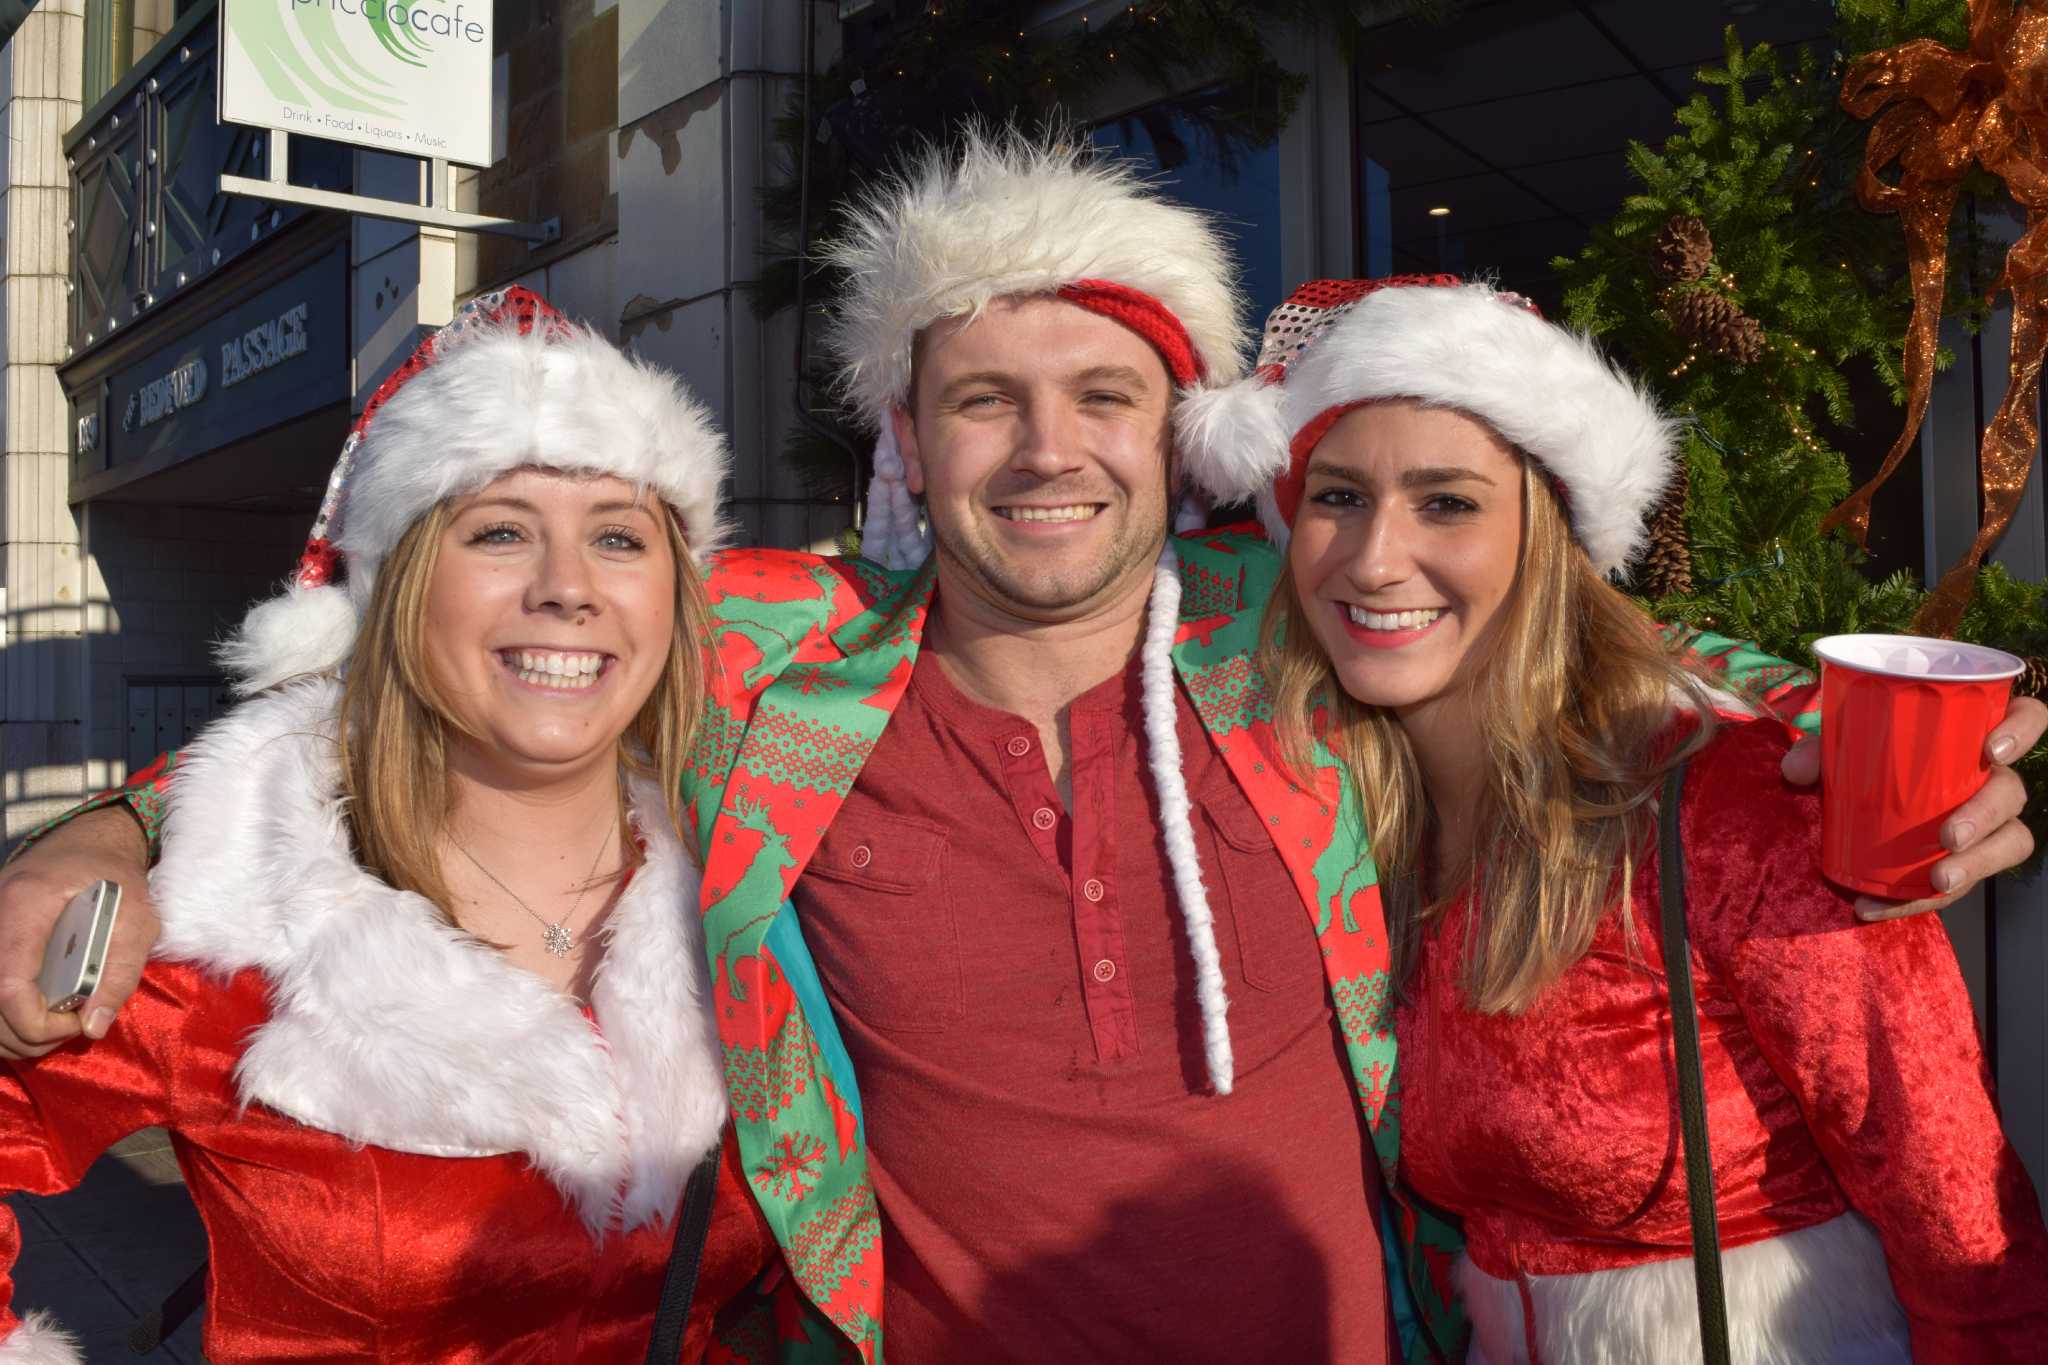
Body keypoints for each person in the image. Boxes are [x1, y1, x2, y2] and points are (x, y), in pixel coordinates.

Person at [2, 136, 2043, 1363]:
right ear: (906, 439)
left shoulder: (1296, 639)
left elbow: (1573, 647)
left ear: (1180, 436)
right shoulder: (783, 668)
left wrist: (1863, 738)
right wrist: (110, 826)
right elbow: (460, 666)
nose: (1046, 449)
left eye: (1101, 394)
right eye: (982, 398)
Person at [1178, 273, 2048, 1362]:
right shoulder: (1341, 801)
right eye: (1337, 497)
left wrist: (1920, 758)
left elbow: (1962, 1219)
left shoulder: (1724, 797)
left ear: (1544, 534)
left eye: (1447, 503)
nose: (1373, 559)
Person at [0, 290, 779, 1361]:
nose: (567, 588)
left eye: (617, 536)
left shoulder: (770, 878)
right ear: (398, 591)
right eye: (500, 531)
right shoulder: (230, 927)